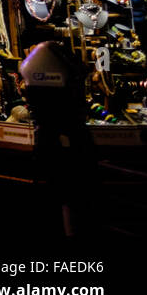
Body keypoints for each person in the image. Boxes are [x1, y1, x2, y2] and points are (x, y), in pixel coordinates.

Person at [17, 23, 99, 235]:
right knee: (75, 199)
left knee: (59, 197)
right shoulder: (59, 58)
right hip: (70, 141)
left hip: (54, 142)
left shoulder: (44, 60)